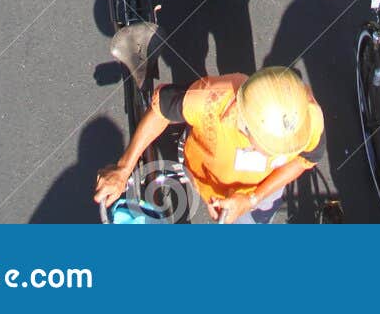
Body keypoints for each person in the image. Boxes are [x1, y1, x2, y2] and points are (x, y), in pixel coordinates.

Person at [95, 66, 324, 223]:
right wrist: (124, 168)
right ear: (244, 123)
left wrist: (252, 198)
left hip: (260, 192)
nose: (278, 154)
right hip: (202, 173)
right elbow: (161, 109)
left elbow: (306, 160)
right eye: (270, 147)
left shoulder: (306, 119)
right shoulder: (209, 101)